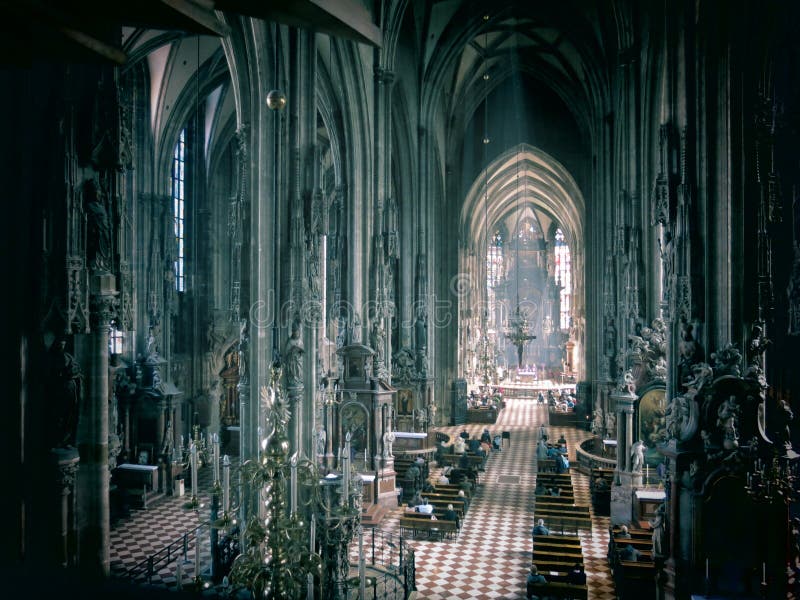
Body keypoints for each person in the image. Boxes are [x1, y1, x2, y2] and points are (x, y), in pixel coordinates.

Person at [284, 320, 305, 389]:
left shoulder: (300, 341)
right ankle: (294, 381)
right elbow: (286, 352)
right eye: (295, 332)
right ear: (293, 332)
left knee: (299, 371)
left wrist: (300, 351)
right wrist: (292, 351)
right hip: (292, 361)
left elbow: (303, 351)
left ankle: (298, 380)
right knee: (293, 372)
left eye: (298, 332)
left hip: (299, 360)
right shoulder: (290, 341)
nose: (296, 334)